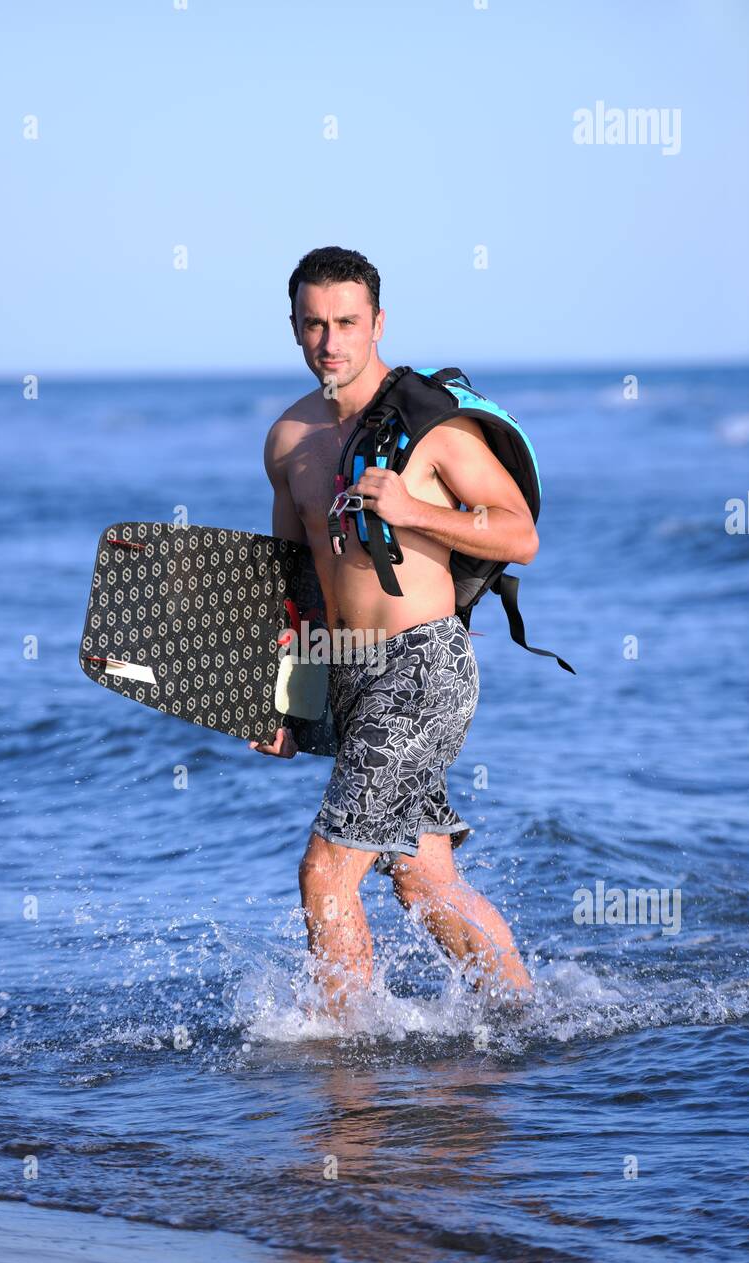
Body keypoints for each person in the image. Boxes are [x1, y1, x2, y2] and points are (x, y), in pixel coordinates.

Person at [250, 246, 535, 1009]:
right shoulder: (287, 442)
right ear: (294, 329)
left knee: (325, 870)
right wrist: (283, 704)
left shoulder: (429, 428)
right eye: (314, 325)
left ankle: (345, 1064)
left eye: (346, 322)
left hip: (423, 668)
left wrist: (412, 511)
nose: (330, 342)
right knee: (420, 876)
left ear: (378, 323)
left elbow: (518, 534)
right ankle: (524, 1016)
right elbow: (295, 585)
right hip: (347, 671)